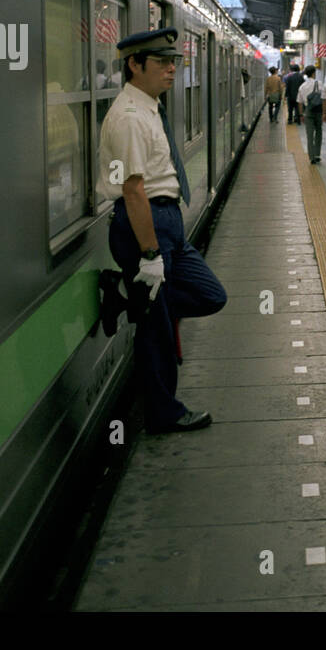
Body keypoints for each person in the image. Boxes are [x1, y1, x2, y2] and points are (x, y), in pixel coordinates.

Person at [96, 27, 227, 435]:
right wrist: (150, 256)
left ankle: (124, 294)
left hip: (166, 222)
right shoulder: (131, 117)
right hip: (145, 225)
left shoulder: (150, 105)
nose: (172, 69)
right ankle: (162, 414)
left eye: (175, 62)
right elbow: (133, 189)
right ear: (135, 65)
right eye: (162, 63)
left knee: (210, 295)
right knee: (155, 334)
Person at [297, 65, 323, 163]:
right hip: (318, 110)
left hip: (308, 111)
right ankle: (317, 154)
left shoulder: (302, 86)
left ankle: (311, 157)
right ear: (313, 73)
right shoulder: (319, 84)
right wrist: (325, 112)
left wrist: (300, 115)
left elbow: (299, 102)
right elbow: (324, 97)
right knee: (319, 132)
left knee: (309, 134)